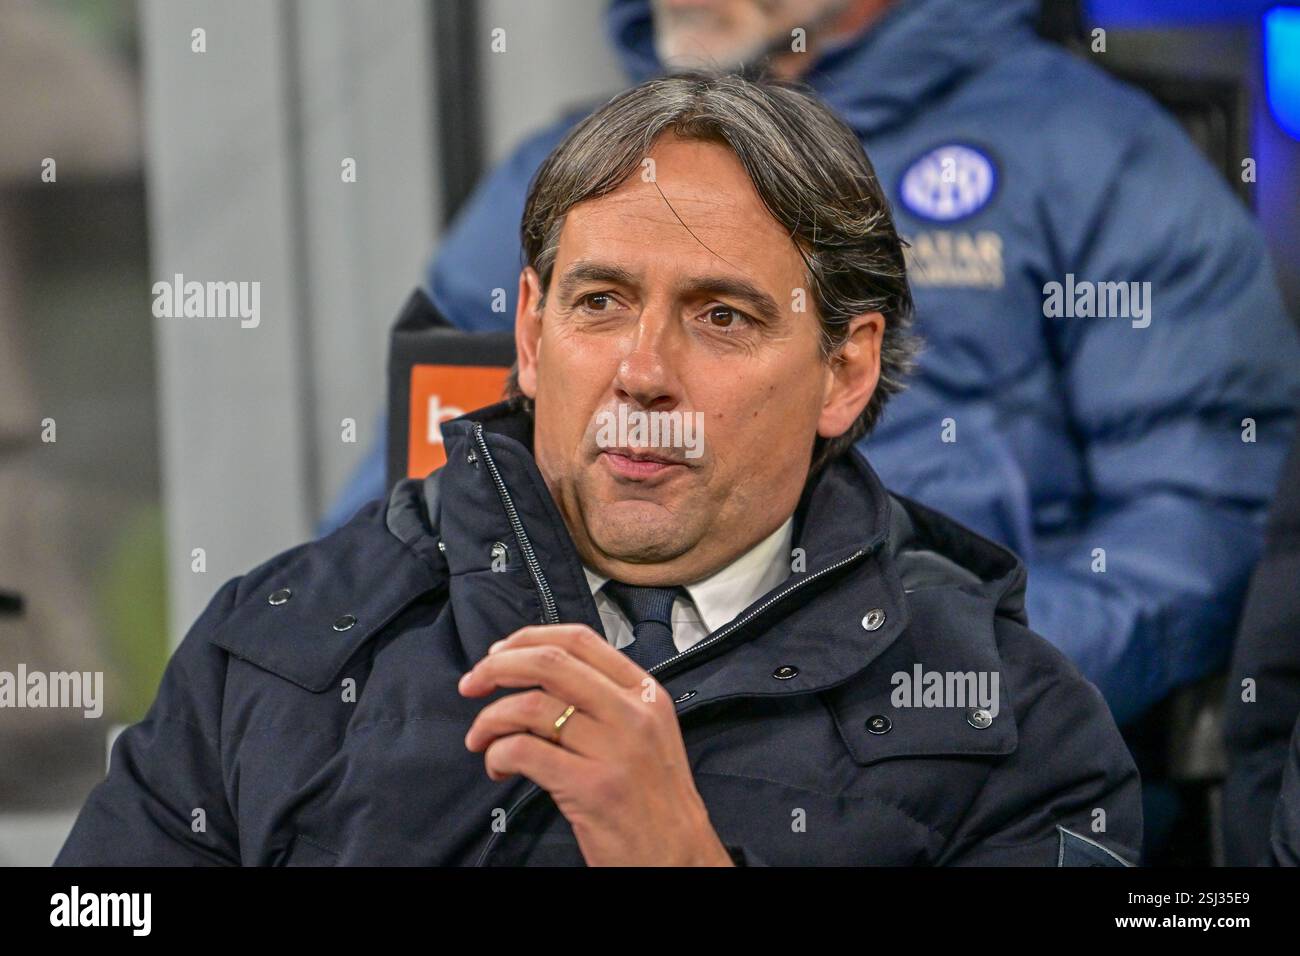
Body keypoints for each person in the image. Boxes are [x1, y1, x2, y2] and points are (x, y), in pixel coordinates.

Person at [56, 73, 1140, 866]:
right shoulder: (275, 648)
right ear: (530, 334)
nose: (642, 373)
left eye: (722, 316)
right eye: (599, 302)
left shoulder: (1019, 730)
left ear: (843, 370)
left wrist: (670, 852)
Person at [325, 0, 1300, 730]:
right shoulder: (559, 178)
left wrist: (937, 673)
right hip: (585, 745)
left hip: (948, 772)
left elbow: (1206, 524)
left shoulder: (1092, 153)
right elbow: (399, 521)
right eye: (601, 302)